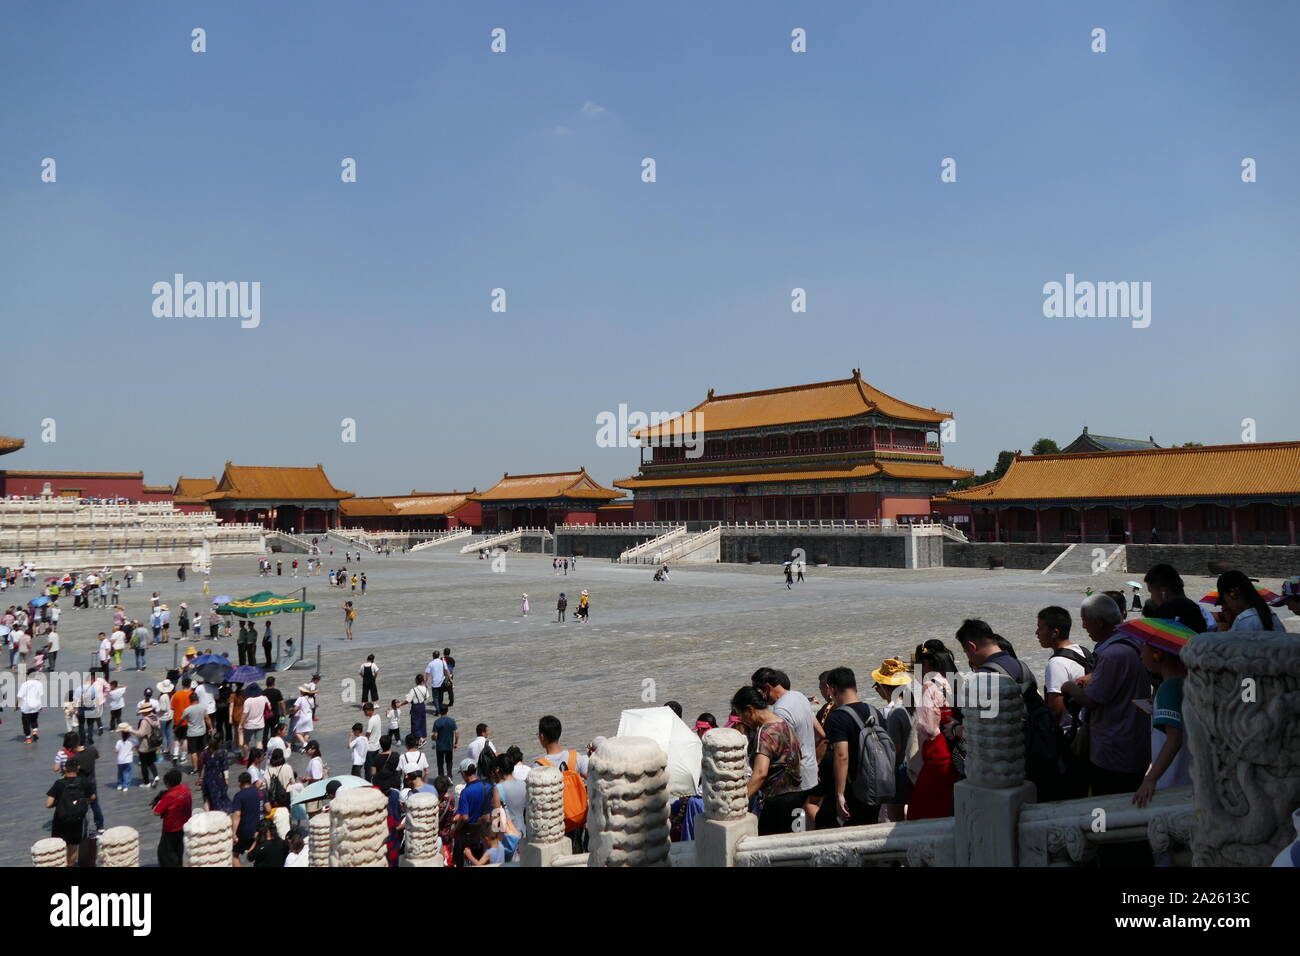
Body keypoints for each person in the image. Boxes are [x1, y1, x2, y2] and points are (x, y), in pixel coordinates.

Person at [1131, 605, 1199, 819]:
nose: (1141, 655)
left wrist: (1150, 778)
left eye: (1144, 648)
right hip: (1190, 775)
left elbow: (1174, 738)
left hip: (1172, 778)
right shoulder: (1188, 682)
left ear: (1158, 654)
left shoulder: (1169, 688)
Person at [818, 666, 887, 829]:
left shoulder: (838, 717)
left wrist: (840, 794)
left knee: (825, 821)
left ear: (832, 690)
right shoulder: (875, 711)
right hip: (879, 783)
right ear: (855, 687)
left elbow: (842, 755)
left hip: (855, 788)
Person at [1036, 605, 1092, 800]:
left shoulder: (1056, 663)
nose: (1037, 633)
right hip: (1085, 728)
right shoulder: (1083, 651)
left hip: (1069, 737)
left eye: (1040, 628)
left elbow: (1056, 709)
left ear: (1054, 632)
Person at [731, 685, 804, 834]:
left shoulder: (765, 733)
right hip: (797, 798)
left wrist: (740, 802)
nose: (743, 721)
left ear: (750, 710)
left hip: (777, 803)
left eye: (742, 715)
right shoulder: (784, 725)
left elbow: (760, 773)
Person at [750, 668, 820, 822]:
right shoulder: (800, 696)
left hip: (795, 781)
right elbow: (821, 734)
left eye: (757, 690)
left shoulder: (780, 712)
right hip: (812, 771)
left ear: (767, 688)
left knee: (790, 829)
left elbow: (788, 750)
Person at [532, 715, 589, 851]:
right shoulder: (576, 758)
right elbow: (593, 778)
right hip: (578, 817)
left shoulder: (539, 766)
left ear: (542, 737)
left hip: (555, 824)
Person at [869, 658, 914, 822]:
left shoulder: (892, 712)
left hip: (899, 769)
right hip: (914, 764)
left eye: (877, 687)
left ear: (885, 689)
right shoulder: (912, 705)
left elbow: (894, 746)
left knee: (896, 817)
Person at [47, 759, 95, 866]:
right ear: (78, 768)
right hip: (77, 819)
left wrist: (59, 802)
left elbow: (48, 804)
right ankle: (71, 864)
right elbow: (92, 797)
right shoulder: (84, 781)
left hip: (61, 820)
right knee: (73, 847)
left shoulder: (59, 783)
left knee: (59, 846)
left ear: (65, 768)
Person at [1216, 569, 1287, 631]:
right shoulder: (1270, 615)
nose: (1226, 605)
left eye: (1225, 600)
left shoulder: (1245, 621)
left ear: (1234, 593)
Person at [152, 768, 191, 867]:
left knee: (165, 852)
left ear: (168, 783)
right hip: (184, 824)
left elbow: (156, 812)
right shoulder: (185, 789)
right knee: (179, 848)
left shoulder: (169, 796)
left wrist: (159, 802)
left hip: (170, 828)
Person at [229, 772, 263, 863]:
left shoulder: (239, 796)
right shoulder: (259, 792)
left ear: (240, 783)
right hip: (258, 830)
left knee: (233, 854)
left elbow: (237, 815)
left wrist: (233, 833)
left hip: (244, 832)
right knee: (257, 854)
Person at [181, 691, 211, 775]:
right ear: (197, 699)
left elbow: (181, 720)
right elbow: (207, 718)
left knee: (193, 752)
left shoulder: (188, 710)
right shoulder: (203, 707)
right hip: (202, 732)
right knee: (201, 750)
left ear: (190, 700)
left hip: (192, 733)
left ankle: (195, 768)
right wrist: (211, 727)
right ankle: (202, 765)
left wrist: (176, 728)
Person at [133, 700, 162, 788]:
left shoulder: (144, 721)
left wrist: (131, 730)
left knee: (144, 764)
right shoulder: (155, 717)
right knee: (151, 762)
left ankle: (146, 782)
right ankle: (156, 776)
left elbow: (140, 733)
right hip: (154, 744)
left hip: (145, 745)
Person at [201, 736, 232, 811]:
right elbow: (225, 767)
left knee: (206, 798)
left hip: (208, 778)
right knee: (220, 798)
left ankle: (208, 815)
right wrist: (226, 779)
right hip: (219, 778)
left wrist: (201, 778)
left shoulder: (205, 753)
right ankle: (220, 814)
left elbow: (203, 766)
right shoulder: (222, 752)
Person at [401, 673, 432, 744]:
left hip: (415, 707)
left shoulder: (413, 690)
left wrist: (400, 704)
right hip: (422, 706)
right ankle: (421, 737)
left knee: (415, 723)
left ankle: (420, 739)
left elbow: (408, 700)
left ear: (416, 681)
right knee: (422, 722)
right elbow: (427, 696)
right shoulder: (424, 688)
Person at [16, 668, 43, 743]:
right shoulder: (39, 683)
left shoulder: (25, 684)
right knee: (34, 719)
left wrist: (17, 706)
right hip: (36, 705)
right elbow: (40, 695)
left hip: (26, 706)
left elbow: (20, 696)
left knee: (26, 722)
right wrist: (41, 705)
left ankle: (28, 738)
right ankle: (34, 732)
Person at [432, 706, 458, 778]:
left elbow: (435, 735)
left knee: (440, 763)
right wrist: (456, 743)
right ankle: (449, 776)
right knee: (449, 761)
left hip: (440, 746)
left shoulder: (437, 722)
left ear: (440, 712)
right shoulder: (452, 721)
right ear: (447, 711)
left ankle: (441, 777)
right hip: (449, 745)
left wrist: (433, 740)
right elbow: (457, 732)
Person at [290, 684, 317, 749]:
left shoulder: (300, 698)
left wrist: (292, 711)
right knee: (306, 732)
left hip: (302, 717)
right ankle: (305, 747)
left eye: (301, 690)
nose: (300, 691)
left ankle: (305, 744)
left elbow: (295, 708)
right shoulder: (311, 699)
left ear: (303, 691)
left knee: (296, 732)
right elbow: (312, 707)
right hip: (309, 718)